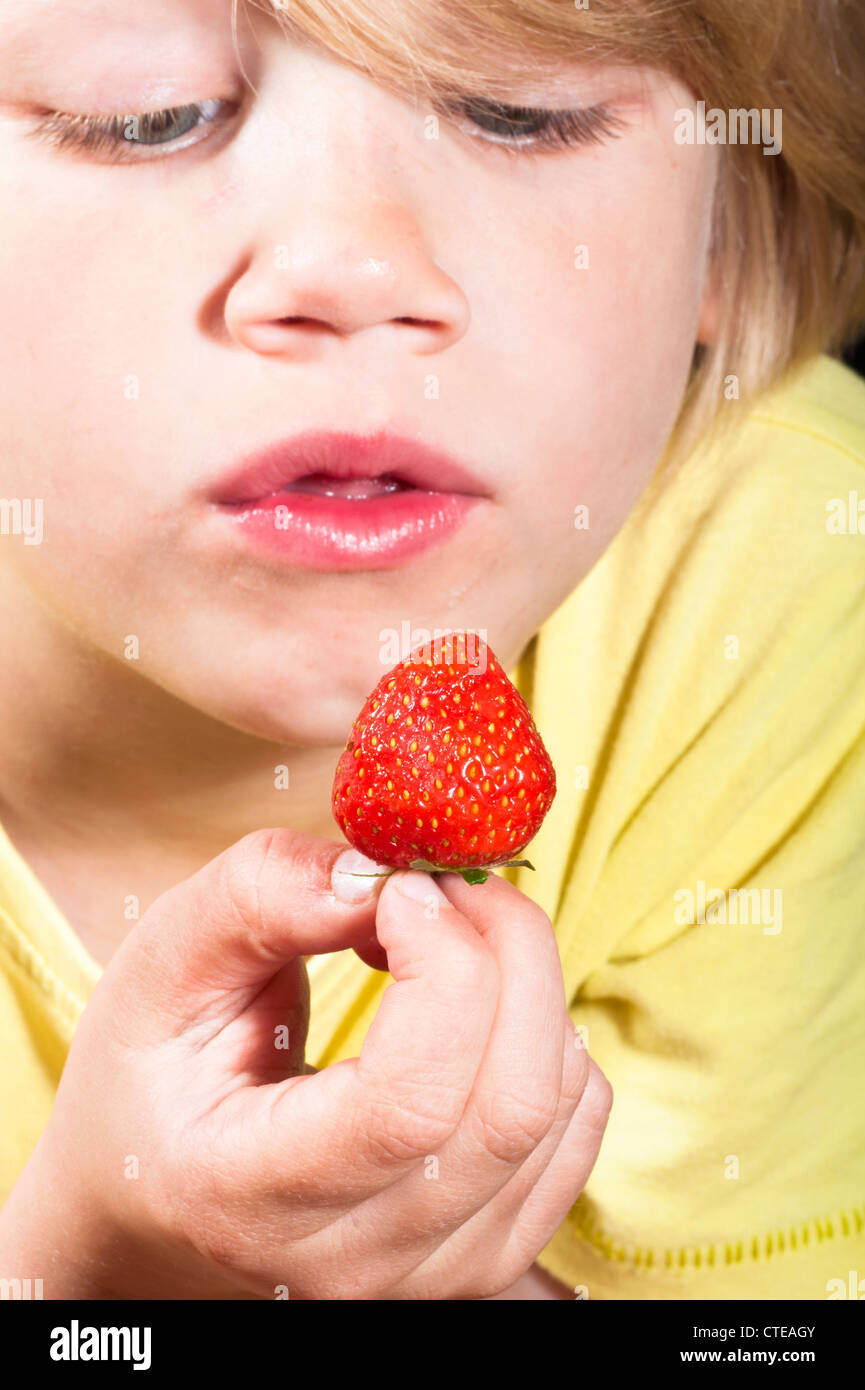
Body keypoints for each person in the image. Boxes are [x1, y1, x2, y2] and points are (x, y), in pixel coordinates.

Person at [0, 0, 863, 1299]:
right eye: (142, 114)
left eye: (521, 108)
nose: (356, 271)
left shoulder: (784, 571)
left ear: (726, 232)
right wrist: (90, 1273)